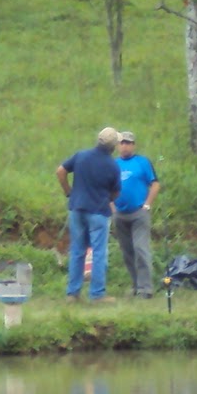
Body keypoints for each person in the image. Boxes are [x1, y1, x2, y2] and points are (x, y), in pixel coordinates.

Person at [55, 126, 123, 302]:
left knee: (77, 250)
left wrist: (68, 191)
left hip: (77, 209)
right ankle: (97, 294)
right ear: (113, 146)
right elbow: (115, 193)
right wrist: (107, 197)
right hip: (98, 212)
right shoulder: (112, 166)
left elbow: (60, 171)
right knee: (99, 252)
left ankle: (73, 293)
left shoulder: (81, 156)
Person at [112, 130, 161, 298]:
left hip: (139, 213)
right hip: (120, 213)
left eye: (128, 143)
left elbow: (154, 184)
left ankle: (146, 288)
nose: (124, 146)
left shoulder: (142, 162)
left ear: (133, 145)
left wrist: (147, 204)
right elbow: (106, 188)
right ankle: (136, 285)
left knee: (141, 249)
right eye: (121, 143)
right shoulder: (113, 164)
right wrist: (112, 207)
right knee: (127, 251)